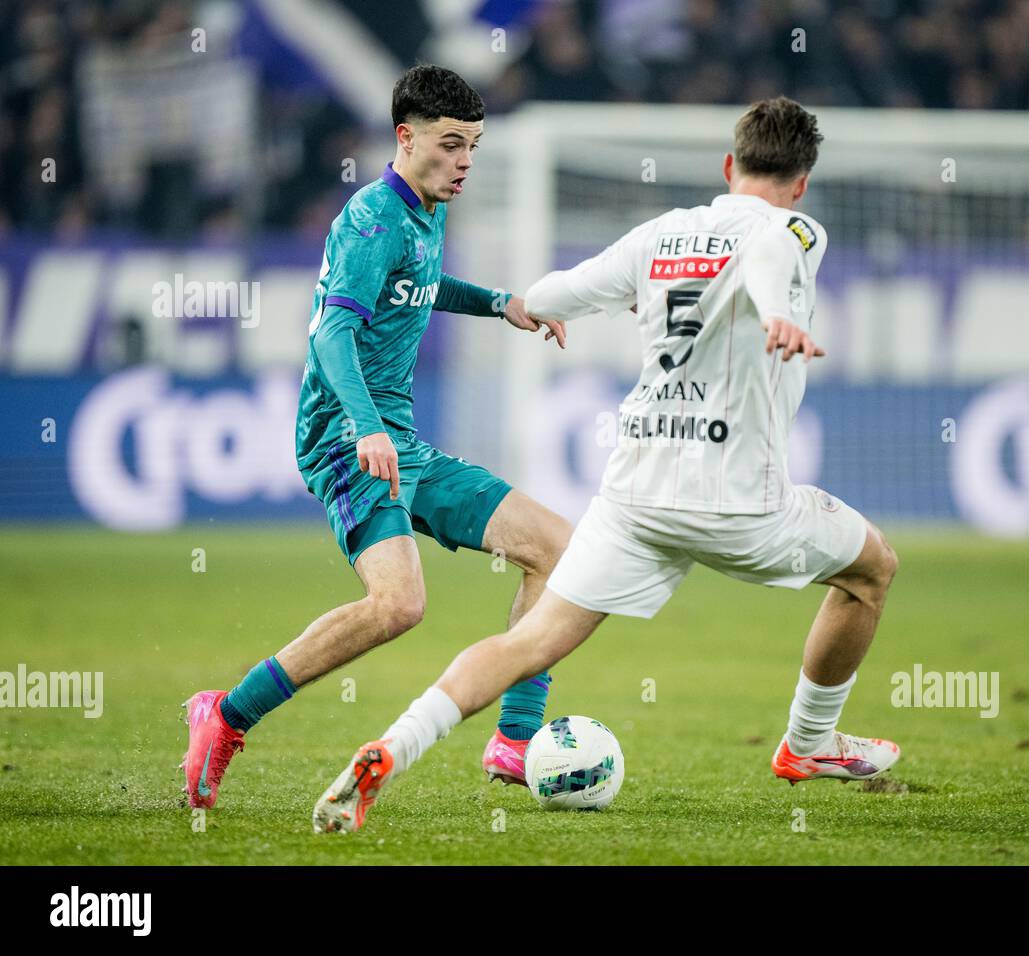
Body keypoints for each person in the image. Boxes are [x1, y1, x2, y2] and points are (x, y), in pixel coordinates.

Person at [313, 97, 900, 834]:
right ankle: (807, 744)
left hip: (633, 497)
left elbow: (557, 294)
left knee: (527, 645)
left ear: (728, 166)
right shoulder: (793, 229)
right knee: (871, 568)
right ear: (802, 183)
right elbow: (771, 252)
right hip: (736, 501)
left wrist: (539, 302)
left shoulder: (662, 234)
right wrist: (777, 309)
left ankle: (393, 748)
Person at [180, 65, 573, 812]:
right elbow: (333, 330)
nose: (464, 162)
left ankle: (516, 743)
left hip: (402, 444)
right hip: (344, 437)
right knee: (398, 606)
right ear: (405, 137)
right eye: (452, 145)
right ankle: (225, 715)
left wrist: (503, 304)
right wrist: (365, 427)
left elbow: (420, 286)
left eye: (474, 148)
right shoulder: (373, 218)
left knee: (559, 551)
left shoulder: (426, 210)